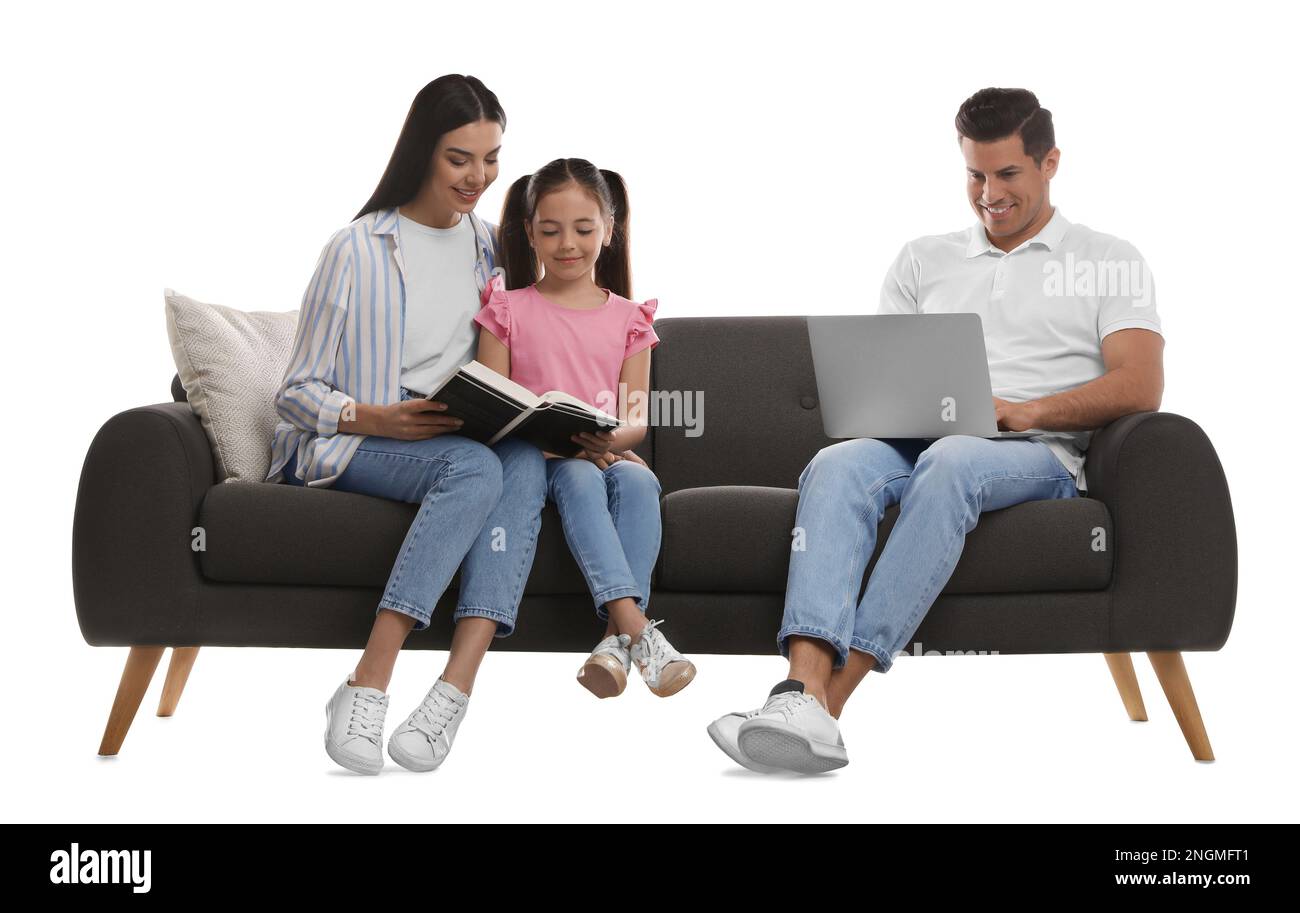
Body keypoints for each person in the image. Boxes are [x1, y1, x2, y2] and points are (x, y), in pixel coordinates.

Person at [708, 87, 1165, 774]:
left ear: (1050, 164)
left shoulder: (1108, 258)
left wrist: (1024, 410)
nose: (989, 193)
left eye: (1008, 174)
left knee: (954, 458)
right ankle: (796, 692)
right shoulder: (924, 258)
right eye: (975, 175)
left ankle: (830, 704)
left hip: (1036, 453)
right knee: (838, 464)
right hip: (919, 438)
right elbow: (889, 376)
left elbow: (1141, 385)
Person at [268, 74, 549, 776]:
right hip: (358, 440)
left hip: (458, 437)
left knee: (518, 463)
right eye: (461, 158)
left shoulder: (494, 250)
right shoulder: (358, 248)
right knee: (474, 467)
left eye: (491, 158)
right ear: (422, 149)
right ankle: (369, 680)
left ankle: (452, 692)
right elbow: (295, 393)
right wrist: (376, 418)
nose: (479, 177)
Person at [477, 158, 697, 700]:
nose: (567, 244)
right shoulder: (507, 308)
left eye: (583, 229)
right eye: (550, 231)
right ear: (529, 232)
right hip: (540, 464)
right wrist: (562, 444)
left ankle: (612, 644)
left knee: (641, 482)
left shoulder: (629, 319)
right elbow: (489, 405)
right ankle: (639, 630)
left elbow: (636, 417)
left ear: (609, 229)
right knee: (577, 478)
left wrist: (610, 441)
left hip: (604, 454)